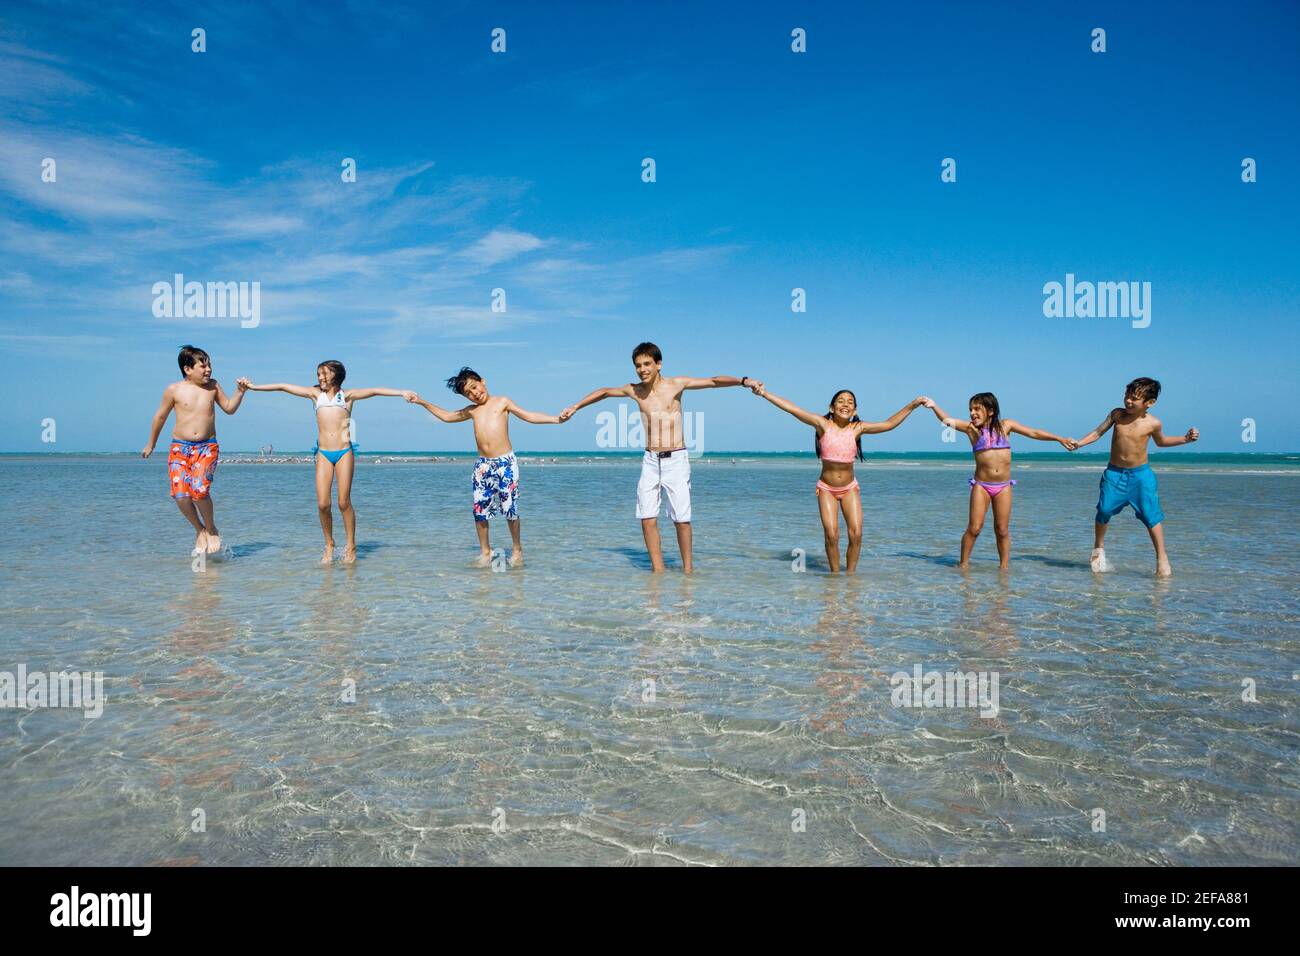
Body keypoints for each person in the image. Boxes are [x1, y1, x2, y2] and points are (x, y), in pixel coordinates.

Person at [560, 342, 759, 573]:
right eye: (637, 365)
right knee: (646, 517)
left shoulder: (676, 385)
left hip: (676, 459)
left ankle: (688, 573)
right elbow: (604, 392)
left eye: (646, 364)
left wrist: (744, 381)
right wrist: (576, 406)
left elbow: (714, 381)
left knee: (681, 519)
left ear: (658, 364)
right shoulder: (635, 390)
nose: (642, 369)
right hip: (650, 461)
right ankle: (658, 573)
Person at [238, 361, 414, 563]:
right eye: (318, 374)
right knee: (323, 504)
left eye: (324, 374)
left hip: (344, 452)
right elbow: (283, 387)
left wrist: (402, 392)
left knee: (343, 502)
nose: (320, 377)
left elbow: (375, 390)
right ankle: (329, 544)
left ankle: (351, 546)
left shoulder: (346, 396)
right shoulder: (315, 395)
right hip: (323, 453)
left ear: (336, 376)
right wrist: (253, 387)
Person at [751, 385, 929, 572]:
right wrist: (764, 393)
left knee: (856, 534)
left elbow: (889, 424)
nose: (845, 404)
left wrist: (913, 404)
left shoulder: (857, 428)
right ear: (832, 407)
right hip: (826, 488)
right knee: (832, 535)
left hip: (850, 488)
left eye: (850, 402)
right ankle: (835, 577)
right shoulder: (822, 424)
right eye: (841, 401)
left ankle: (851, 577)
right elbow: (792, 409)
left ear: (855, 410)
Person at [408, 367, 563, 567]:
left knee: (510, 510)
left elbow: (528, 416)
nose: (474, 393)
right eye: (468, 393)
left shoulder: (502, 402)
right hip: (483, 466)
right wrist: (421, 401)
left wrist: (555, 419)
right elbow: (447, 416)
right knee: (480, 511)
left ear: (483, 381)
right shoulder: (472, 411)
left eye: (475, 387)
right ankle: (485, 552)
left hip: (505, 464)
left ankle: (517, 550)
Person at [927, 392, 1076, 569]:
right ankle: (963, 565)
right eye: (970, 410)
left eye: (976, 409)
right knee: (974, 528)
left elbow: (1034, 432)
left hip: (1003, 487)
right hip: (981, 486)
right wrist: (933, 405)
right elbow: (947, 420)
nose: (972, 413)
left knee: (1002, 530)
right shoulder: (971, 430)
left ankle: (1004, 568)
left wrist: (1059, 439)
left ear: (990, 410)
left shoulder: (1006, 426)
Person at [1072, 377, 1198, 576]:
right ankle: (1099, 547)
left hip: (1141, 476)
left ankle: (1162, 558)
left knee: (1151, 516)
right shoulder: (1116, 415)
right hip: (1114, 474)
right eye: (1127, 396)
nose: (1128, 401)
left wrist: (1185, 439)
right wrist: (1079, 443)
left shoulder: (1153, 423)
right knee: (1104, 509)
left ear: (1150, 402)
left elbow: (1162, 442)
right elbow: (1097, 432)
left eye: (1134, 399)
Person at [142, 345, 247, 554]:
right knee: (181, 495)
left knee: (199, 491)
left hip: (207, 447)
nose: (208, 370)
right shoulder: (174, 390)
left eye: (209, 366)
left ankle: (211, 528)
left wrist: (240, 392)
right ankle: (199, 530)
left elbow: (229, 409)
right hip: (179, 448)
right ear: (188, 369)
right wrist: (151, 443)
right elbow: (160, 417)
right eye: (203, 366)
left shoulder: (213, 387)